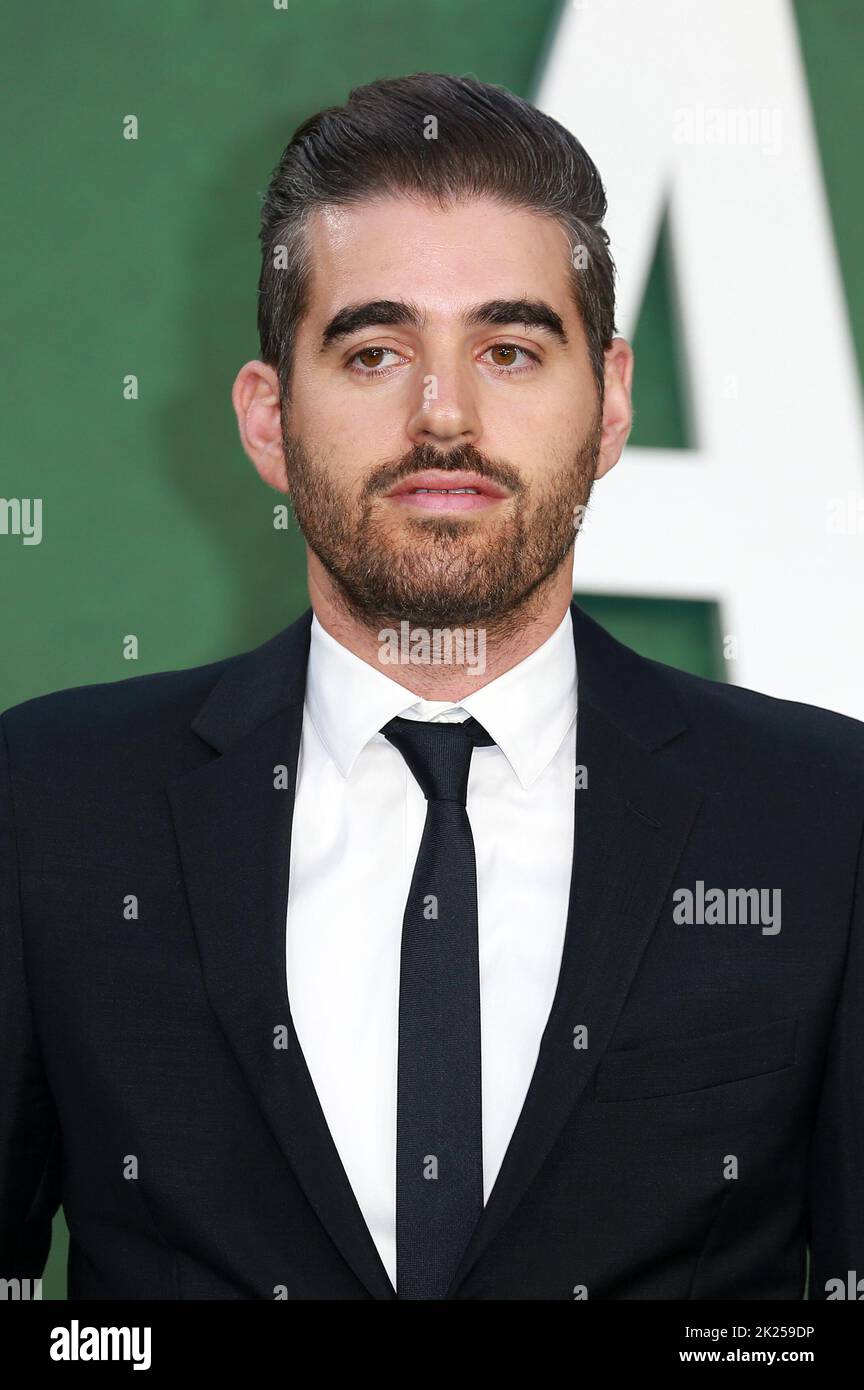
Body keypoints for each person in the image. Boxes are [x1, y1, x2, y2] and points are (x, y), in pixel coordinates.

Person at [1, 73, 861, 1302]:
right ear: (267, 417)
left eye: (508, 349)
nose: (443, 415)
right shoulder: (50, 808)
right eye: (373, 351)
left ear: (610, 402)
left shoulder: (824, 816)